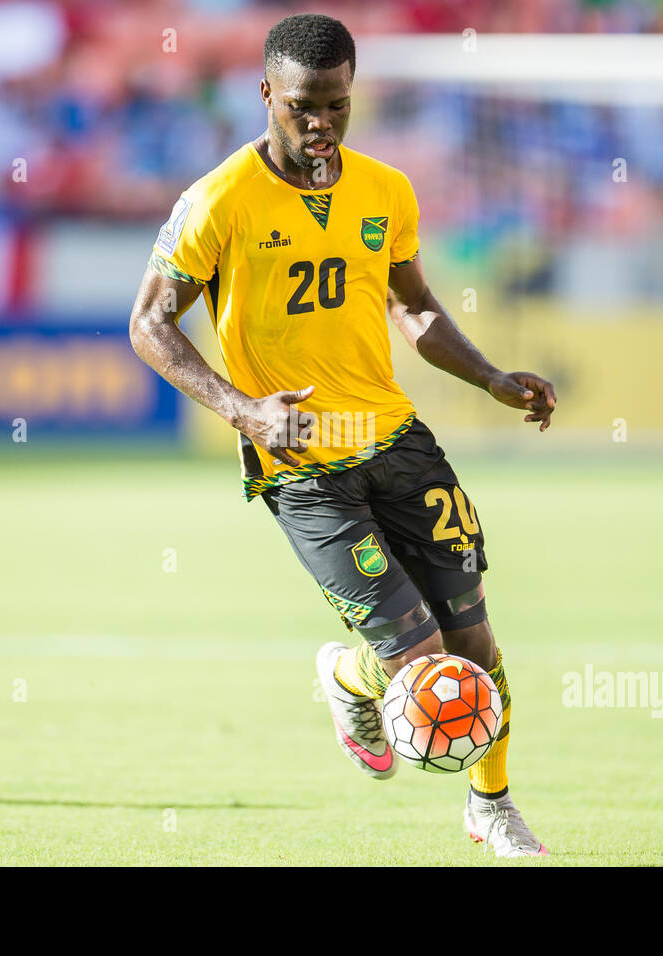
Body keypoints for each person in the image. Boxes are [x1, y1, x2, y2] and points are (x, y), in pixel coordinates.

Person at [129, 14, 557, 858]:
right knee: (421, 659)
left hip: (396, 439)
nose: (321, 123)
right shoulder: (218, 200)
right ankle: (354, 675)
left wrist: (494, 377)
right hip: (301, 465)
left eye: (337, 105)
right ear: (266, 96)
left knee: (474, 643)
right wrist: (245, 412)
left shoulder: (385, 189)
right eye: (302, 107)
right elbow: (149, 326)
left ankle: (492, 806)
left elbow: (413, 307)